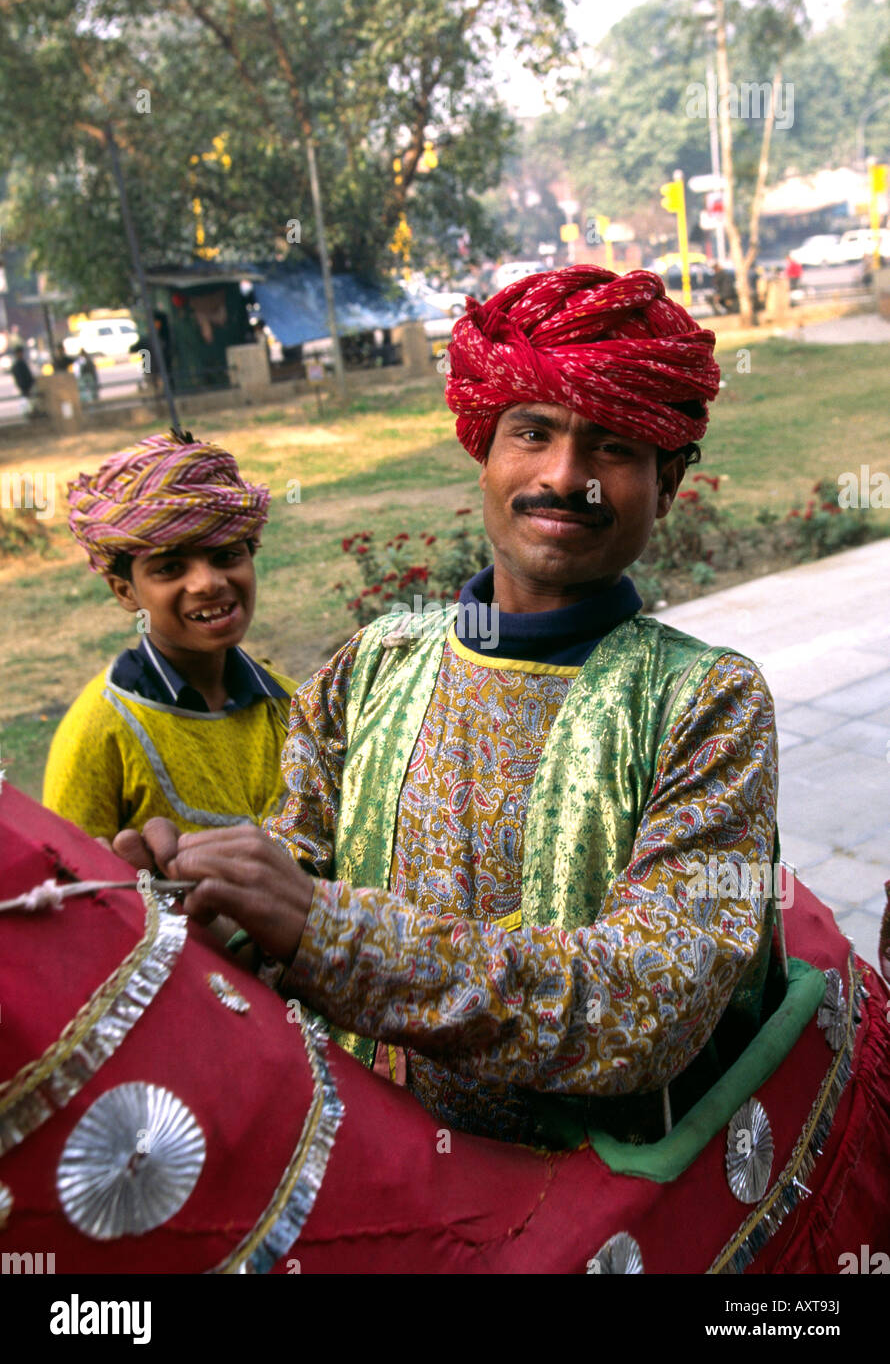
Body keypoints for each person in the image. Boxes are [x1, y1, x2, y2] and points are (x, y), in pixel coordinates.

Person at [112, 267, 779, 1148]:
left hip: (581, 1213)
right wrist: (189, 899)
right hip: (367, 1173)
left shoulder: (707, 703)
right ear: (485, 451)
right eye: (531, 432)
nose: (564, 476)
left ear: (667, 484)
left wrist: (322, 929)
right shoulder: (372, 665)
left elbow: (645, 1005)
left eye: (614, 447)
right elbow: (287, 885)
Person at [43, 428, 297, 841]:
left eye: (226, 555)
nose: (207, 583)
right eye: (170, 568)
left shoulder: (293, 707)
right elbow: (70, 890)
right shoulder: (99, 734)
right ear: (125, 591)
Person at [10, 345, 35, 414]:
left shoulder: (20, 363)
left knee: (28, 405)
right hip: (25, 388)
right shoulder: (19, 364)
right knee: (28, 406)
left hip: (26, 388)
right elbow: (21, 378)